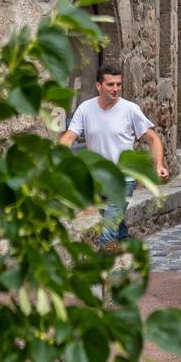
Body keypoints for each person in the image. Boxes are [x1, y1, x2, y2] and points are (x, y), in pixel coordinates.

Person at [59, 63, 169, 245]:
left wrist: (158, 165)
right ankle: (128, 253)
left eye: (118, 84)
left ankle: (102, 270)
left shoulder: (130, 110)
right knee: (116, 226)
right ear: (98, 86)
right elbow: (69, 137)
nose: (116, 89)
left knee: (108, 231)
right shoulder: (85, 109)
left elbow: (152, 138)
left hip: (123, 180)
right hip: (97, 180)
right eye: (110, 84)